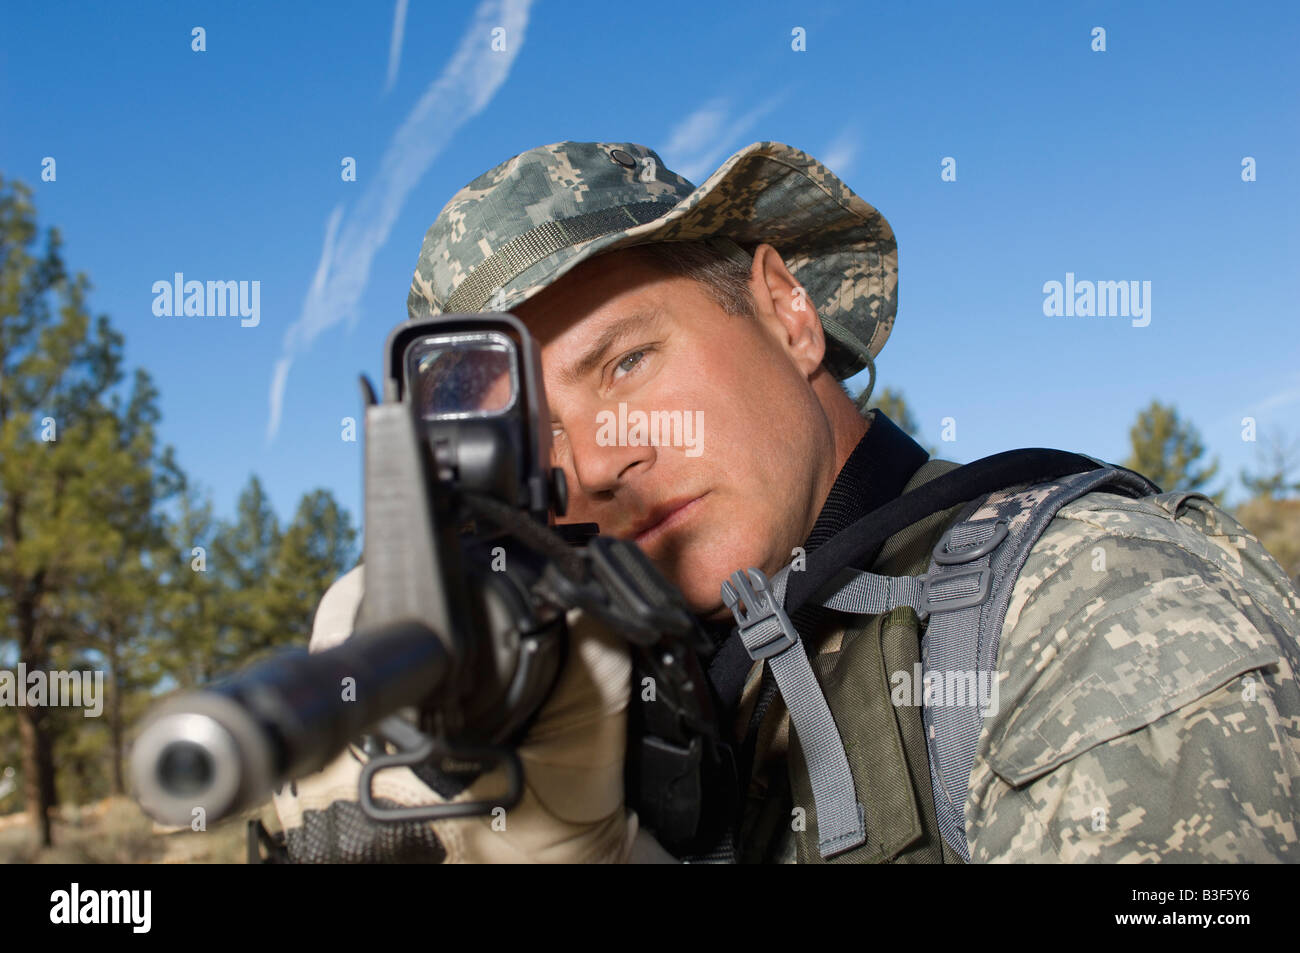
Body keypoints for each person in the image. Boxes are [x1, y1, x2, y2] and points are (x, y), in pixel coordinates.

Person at [273, 140, 1300, 863]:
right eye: (533, 436)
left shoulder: (1085, 604)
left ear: (785, 308)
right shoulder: (598, 698)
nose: (594, 464)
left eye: (626, 361)